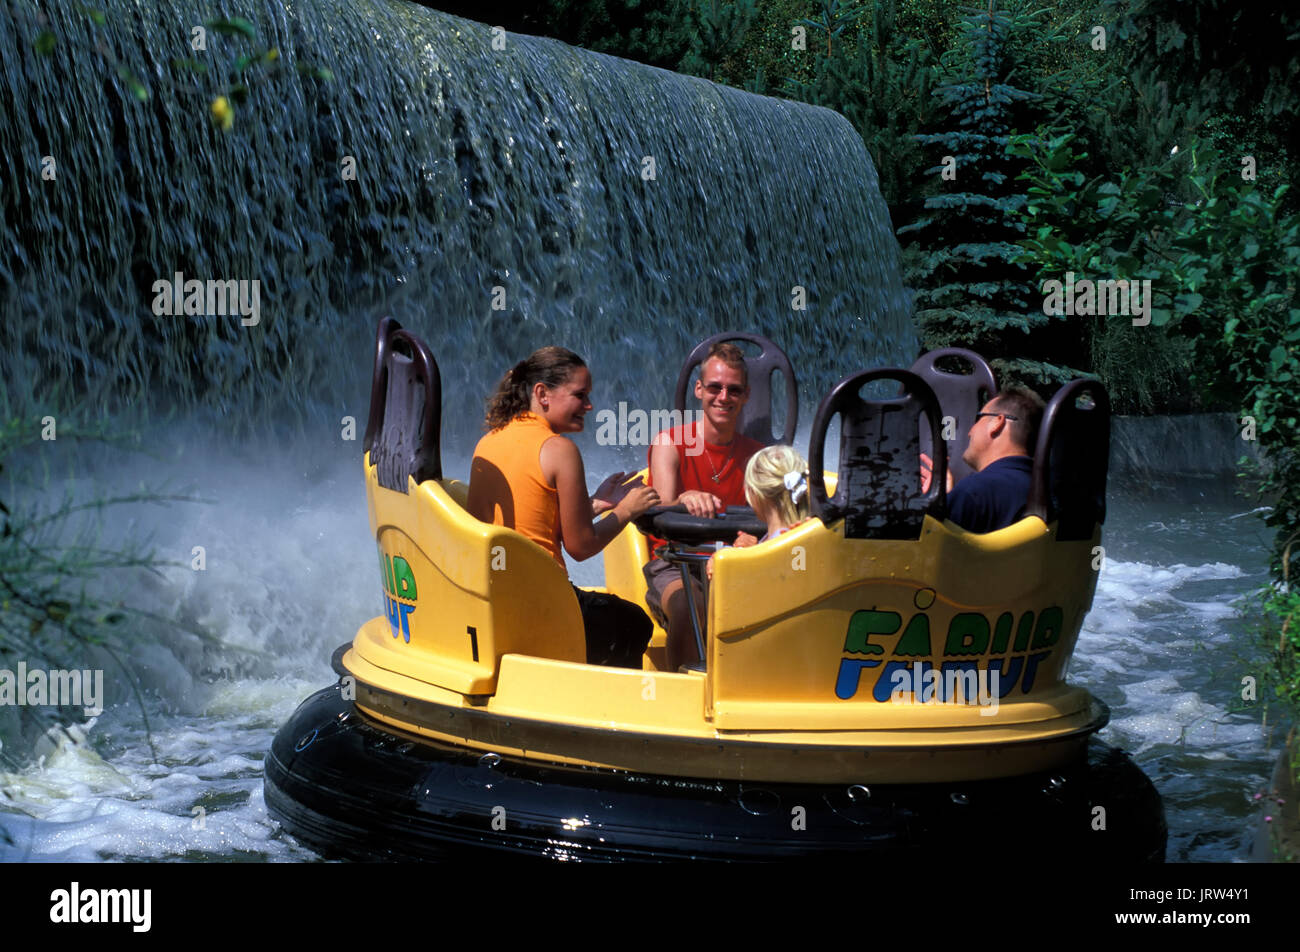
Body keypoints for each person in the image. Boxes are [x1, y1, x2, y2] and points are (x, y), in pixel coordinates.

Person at [467, 347, 660, 668]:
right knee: (633, 622)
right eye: (580, 395)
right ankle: (603, 710)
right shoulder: (559, 450)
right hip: (544, 606)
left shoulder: (489, 441)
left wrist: (596, 503)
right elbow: (580, 546)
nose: (589, 405)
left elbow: (533, 523)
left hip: (495, 602)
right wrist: (627, 510)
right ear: (542, 393)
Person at [643, 342, 764, 670]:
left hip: (735, 565)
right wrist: (682, 500)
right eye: (715, 387)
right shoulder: (671, 444)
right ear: (699, 389)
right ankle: (680, 698)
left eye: (734, 390)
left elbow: (776, 519)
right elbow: (660, 511)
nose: (724, 397)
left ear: (746, 395)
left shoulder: (757, 457)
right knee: (688, 604)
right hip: (674, 563)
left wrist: (756, 543)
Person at [946, 386, 1046, 533]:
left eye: (978, 418)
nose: (969, 432)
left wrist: (951, 503)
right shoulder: (1047, 493)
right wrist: (951, 497)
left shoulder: (973, 493)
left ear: (997, 422)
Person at [706, 445, 812, 580]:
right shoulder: (801, 537)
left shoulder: (790, 543)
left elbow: (780, 585)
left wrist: (727, 563)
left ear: (754, 493)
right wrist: (752, 551)